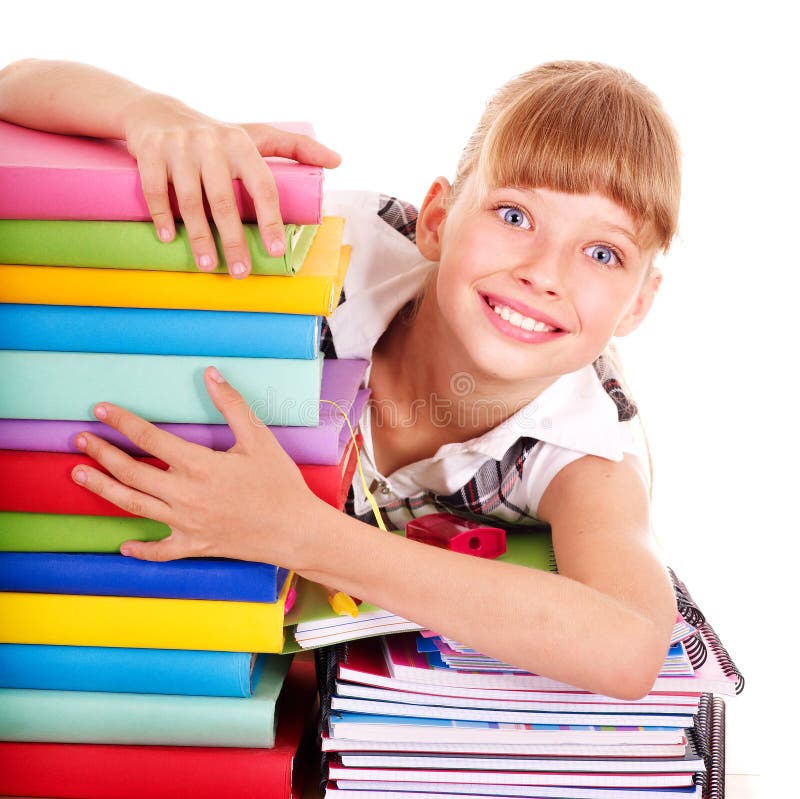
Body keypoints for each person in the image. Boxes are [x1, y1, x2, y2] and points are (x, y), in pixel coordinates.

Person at [0, 58, 681, 700]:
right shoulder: (323, 255)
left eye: (602, 252)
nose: (545, 271)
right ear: (439, 220)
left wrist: (301, 535)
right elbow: (16, 85)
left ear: (639, 304)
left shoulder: (584, 442)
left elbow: (629, 646)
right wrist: (148, 113)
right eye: (513, 215)